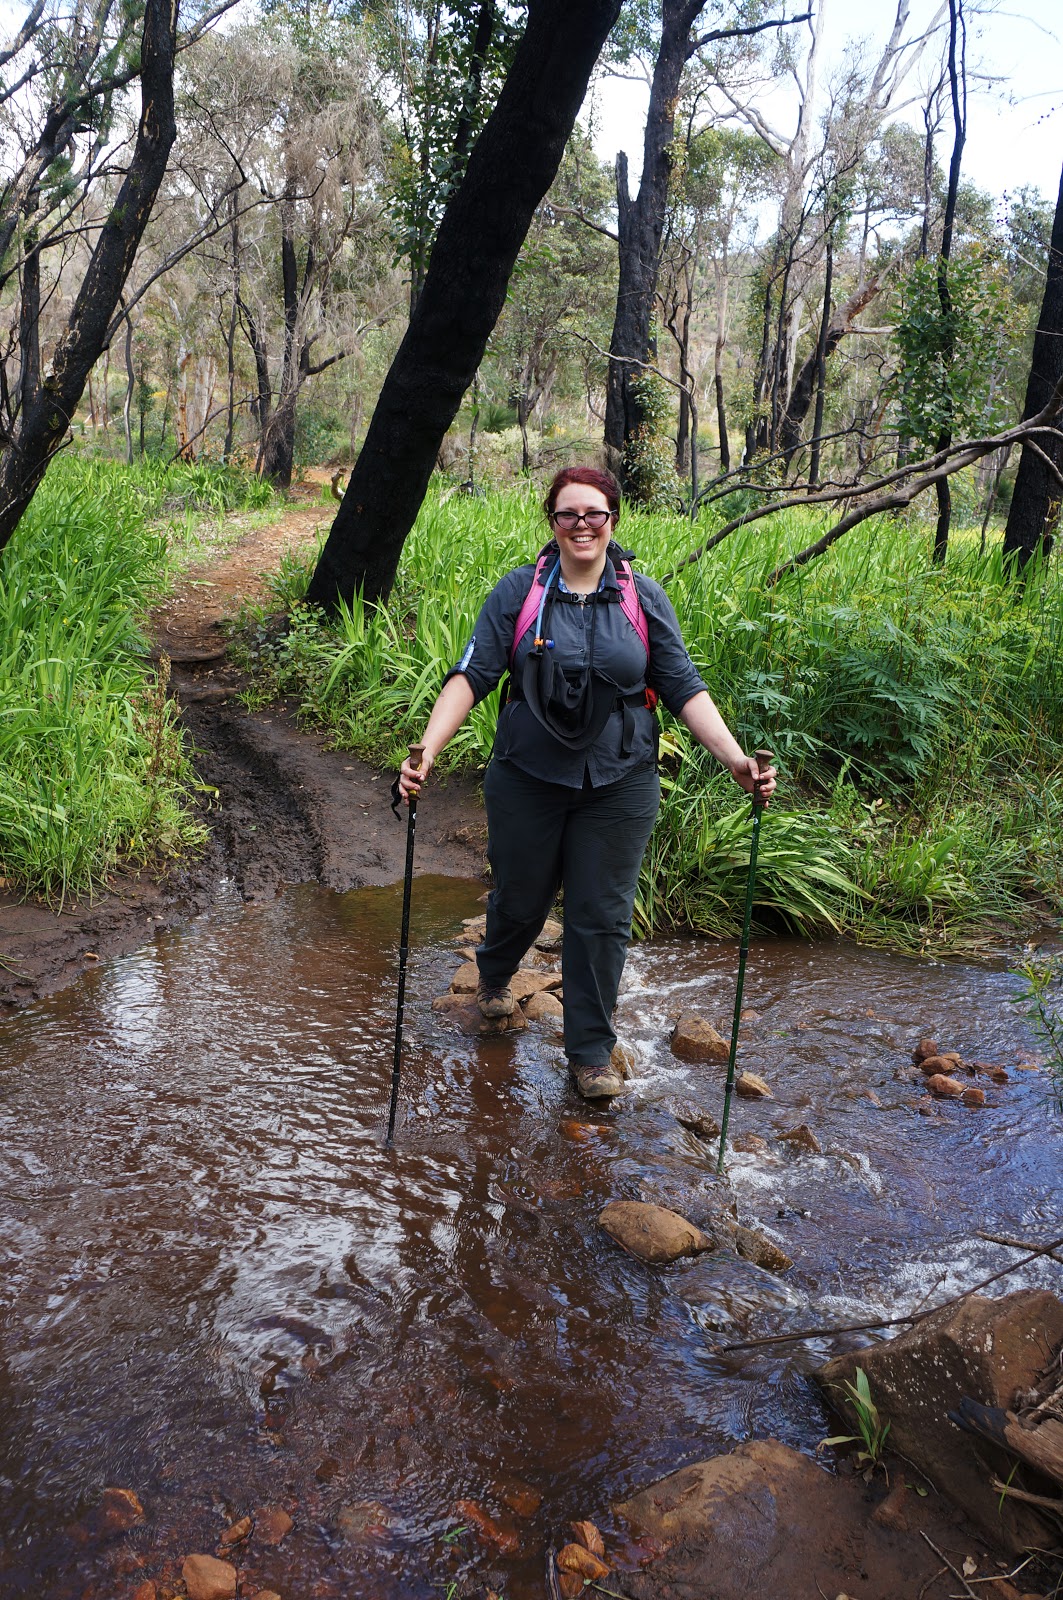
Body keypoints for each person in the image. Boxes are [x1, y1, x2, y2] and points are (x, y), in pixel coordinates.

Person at [397, 465, 776, 1098]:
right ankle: (495, 971)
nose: (582, 525)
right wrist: (428, 749)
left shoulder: (642, 597)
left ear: (612, 521)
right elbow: (473, 674)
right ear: (552, 522)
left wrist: (735, 760)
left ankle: (590, 1055)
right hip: (527, 776)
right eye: (569, 513)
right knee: (521, 900)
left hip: (621, 781)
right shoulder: (520, 593)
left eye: (594, 513)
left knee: (601, 918)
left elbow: (682, 685)